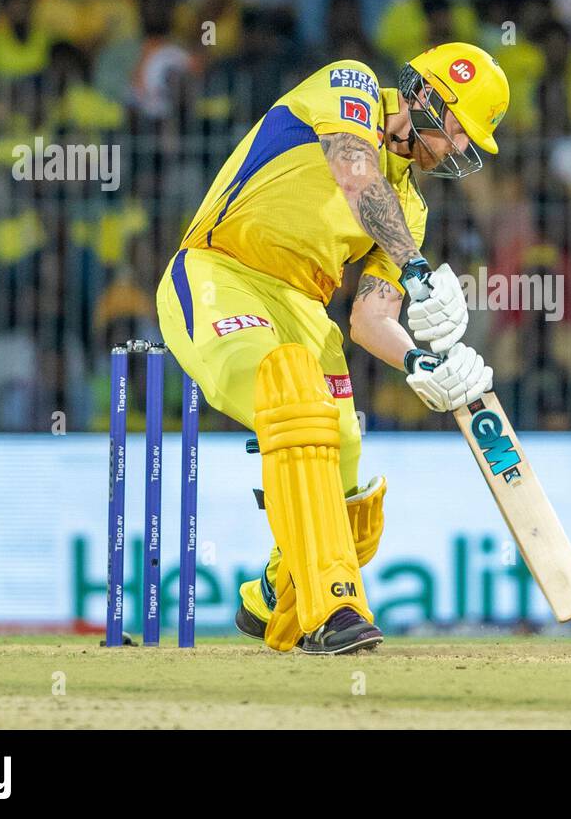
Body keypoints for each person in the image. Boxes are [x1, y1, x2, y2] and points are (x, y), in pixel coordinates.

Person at [156, 42, 508, 654]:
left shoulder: (412, 211)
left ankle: (272, 597)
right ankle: (333, 609)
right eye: (456, 130)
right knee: (290, 387)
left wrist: (420, 362)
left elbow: (373, 317)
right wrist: (418, 268)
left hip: (303, 309)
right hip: (220, 273)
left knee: (343, 451)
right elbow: (354, 171)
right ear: (425, 94)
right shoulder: (355, 87)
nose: (455, 149)